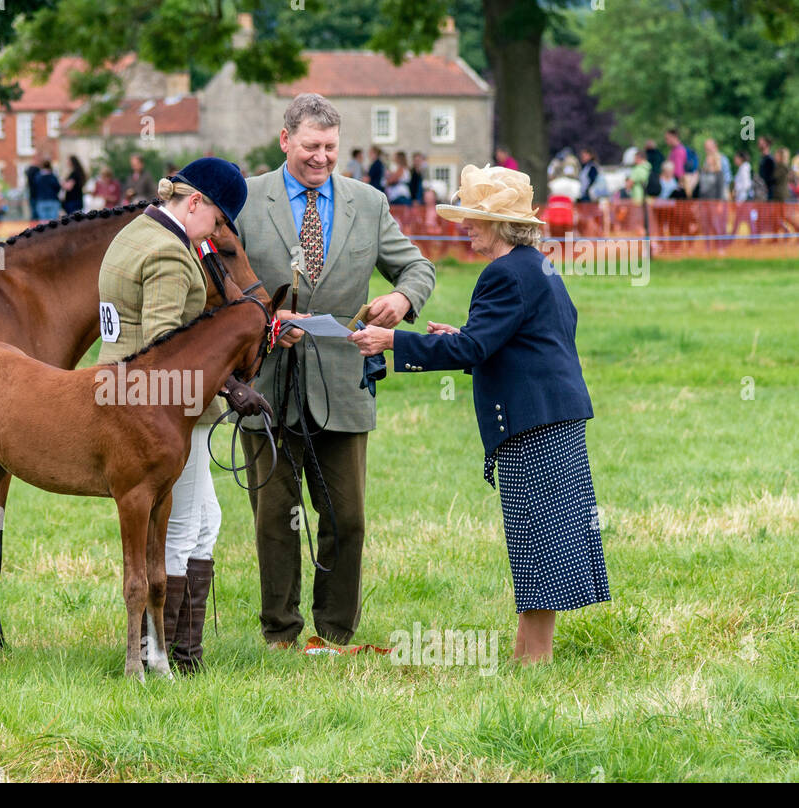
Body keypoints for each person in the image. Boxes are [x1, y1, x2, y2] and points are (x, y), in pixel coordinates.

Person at [353, 164, 609, 663]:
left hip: (532, 421)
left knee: (538, 542)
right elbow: (533, 339)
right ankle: (530, 654)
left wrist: (393, 340)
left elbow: (479, 347)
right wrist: (467, 342)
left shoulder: (503, 273)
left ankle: (534, 659)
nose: (464, 226)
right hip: (553, 415)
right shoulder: (537, 265)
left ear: (498, 225)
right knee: (545, 541)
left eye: (473, 217)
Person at [235, 93, 436, 648]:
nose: (321, 158)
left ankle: (336, 634)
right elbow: (218, 285)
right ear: (284, 141)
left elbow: (417, 266)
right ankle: (280, 634)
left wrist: (403, 299)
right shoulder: (248, 200)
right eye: (310, 147)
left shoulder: (367, 203)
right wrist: (268, 320)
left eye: (330, 147)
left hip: (344, 387)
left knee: (347, 521)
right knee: (275, 519)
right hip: (266, 387)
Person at [95, 157, 250, 672]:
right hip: (153, 408)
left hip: (126, 391)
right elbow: (165, 348)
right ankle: (160, 652)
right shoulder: (170, 253)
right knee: (183, 527)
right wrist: (229, 382)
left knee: (206, 520)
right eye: (219, 221)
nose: (217, 233)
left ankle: (181, 650)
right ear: (195, 203)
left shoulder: (136, 230)